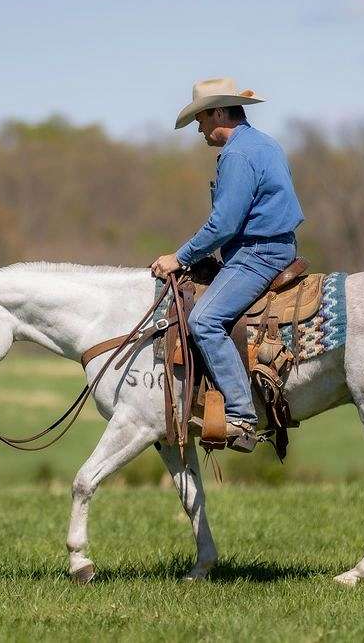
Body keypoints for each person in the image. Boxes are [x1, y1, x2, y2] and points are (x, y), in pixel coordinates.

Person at [150, 77, 304, 451]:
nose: (199, 129)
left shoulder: (237, 154)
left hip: (256, 255)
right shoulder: (265, 143)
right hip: (276, 248)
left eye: (201, 119)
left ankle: (241, 415)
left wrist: (180, 257)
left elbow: (224, 224)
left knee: (203, 320)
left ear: (219, 112)